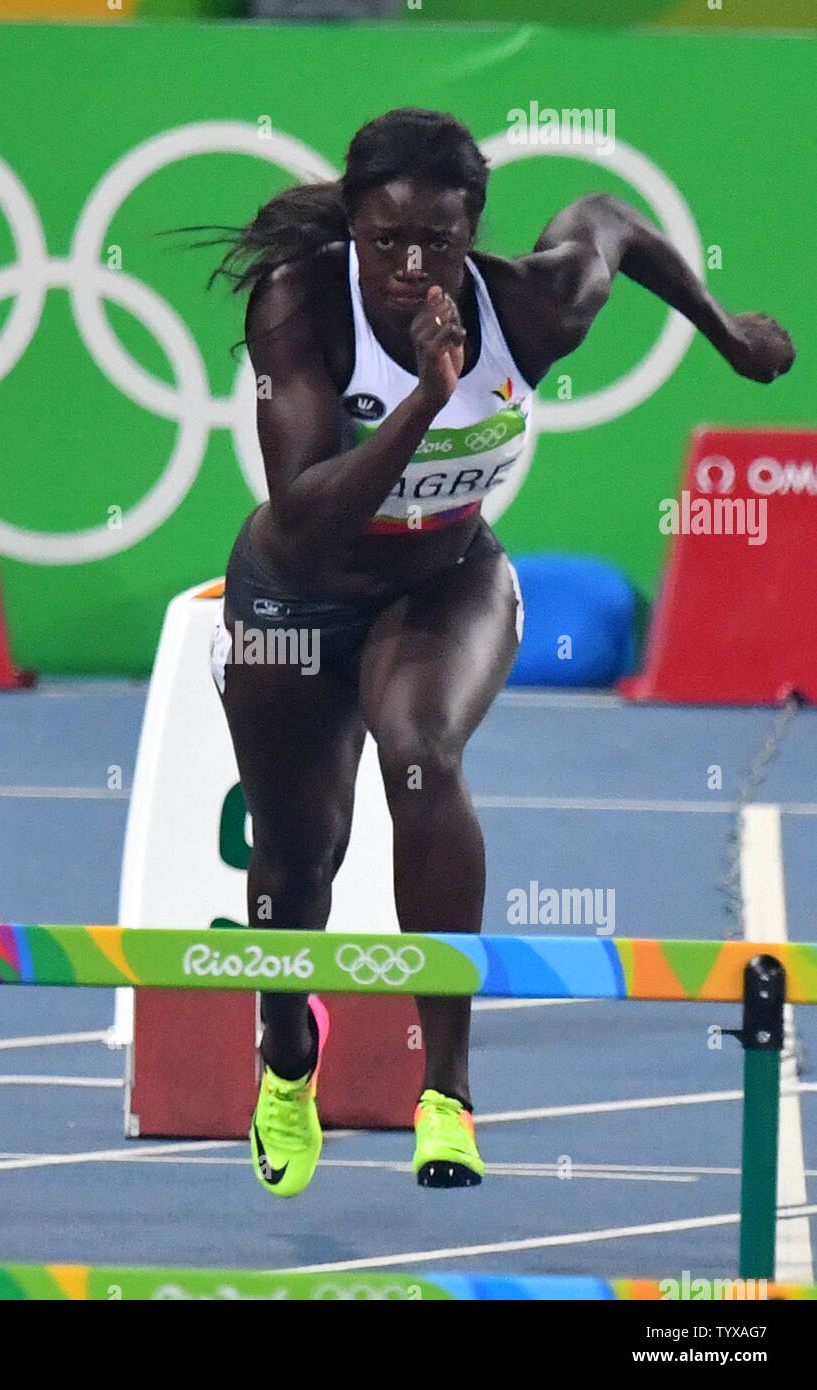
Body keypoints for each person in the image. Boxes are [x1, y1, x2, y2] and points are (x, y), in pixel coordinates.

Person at [197, 107, 794, 1197]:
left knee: (418, 755)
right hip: (292, 593)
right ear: (349, 226)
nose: (409, 267)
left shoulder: (531, 304)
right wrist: (426, 393)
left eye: (437, 240)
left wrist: (722, 330)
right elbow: (301, 513)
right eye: (384, 242)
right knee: (294, 856)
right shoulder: (298, 306)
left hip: (443, 577)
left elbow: (610, 220)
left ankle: (448, 1090)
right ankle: (287, 1052)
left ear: (474, 227)